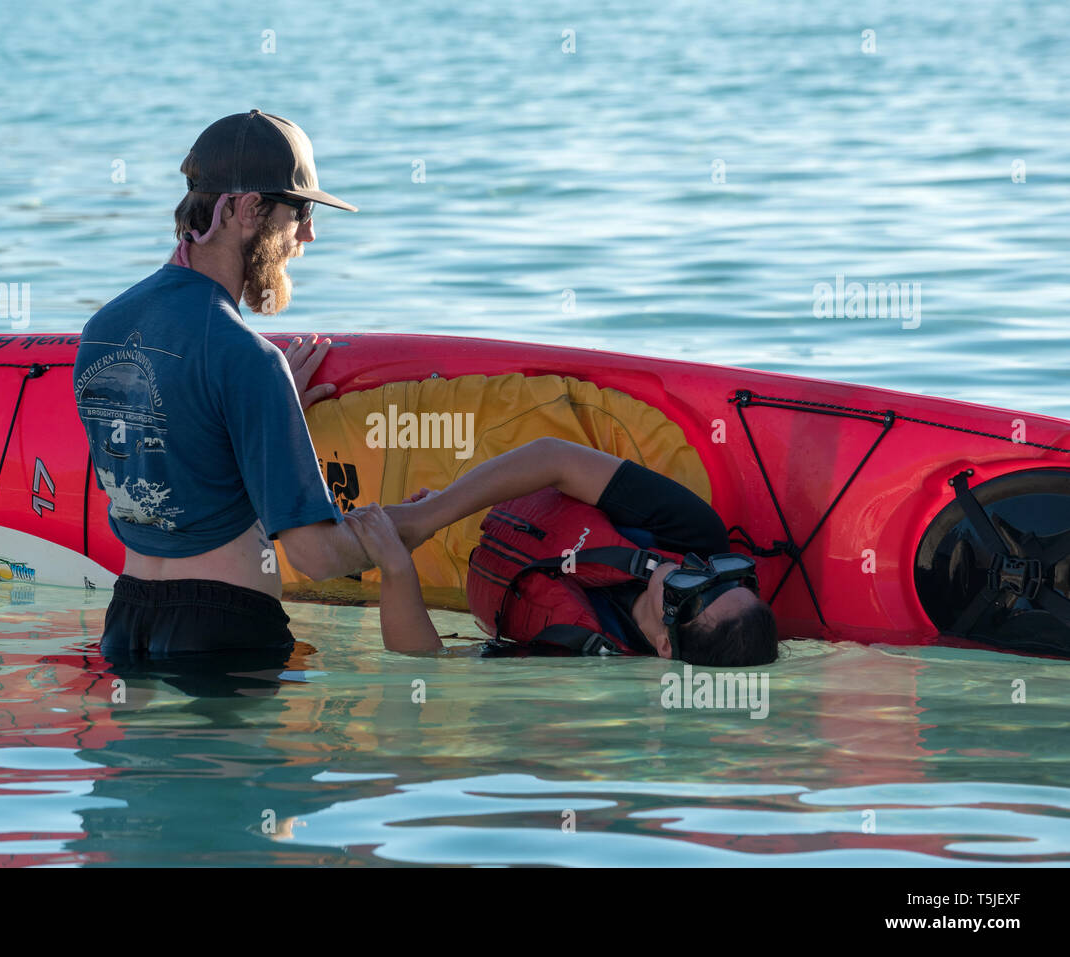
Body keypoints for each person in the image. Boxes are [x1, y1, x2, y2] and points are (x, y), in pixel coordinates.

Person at [74, 109, 395, 658]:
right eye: (302, 212)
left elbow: (177, 448)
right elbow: (316, 557)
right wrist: (412, 524)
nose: (309, 234)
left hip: (126, 624)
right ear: (249, 209)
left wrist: (263, 401)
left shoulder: (103, 329)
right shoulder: (246, 357)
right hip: (226, 630)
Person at [350, 437, 779, 665]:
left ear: (666, 646)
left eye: (698, 588)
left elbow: (425, 662)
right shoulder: (694, 534)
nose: (697, 566)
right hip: (476, 518)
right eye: (723, 573)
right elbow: (553, 457)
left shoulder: (583, 662)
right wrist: (427, 517)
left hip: (465, 581)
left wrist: (395, 565)